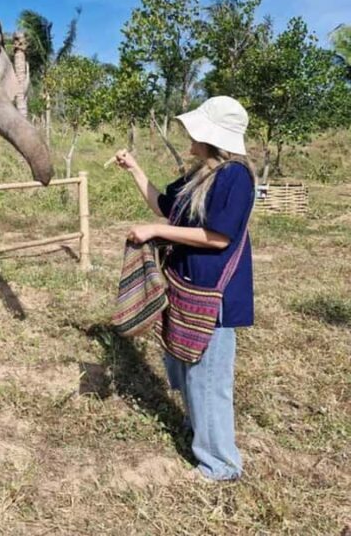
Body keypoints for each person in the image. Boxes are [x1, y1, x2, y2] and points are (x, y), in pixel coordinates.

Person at [114, 96, 255, 481]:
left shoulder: (234, 176)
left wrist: (156, 231)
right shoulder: (202, 174)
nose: (187, 135)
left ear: (210, 136)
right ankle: (202, 435)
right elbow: (165, 206)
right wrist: (135, 169)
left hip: (213, 294)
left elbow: (218, 237)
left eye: (193, 129)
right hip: (187, 285)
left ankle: (220, 465)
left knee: (208, 379)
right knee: (185, 364)